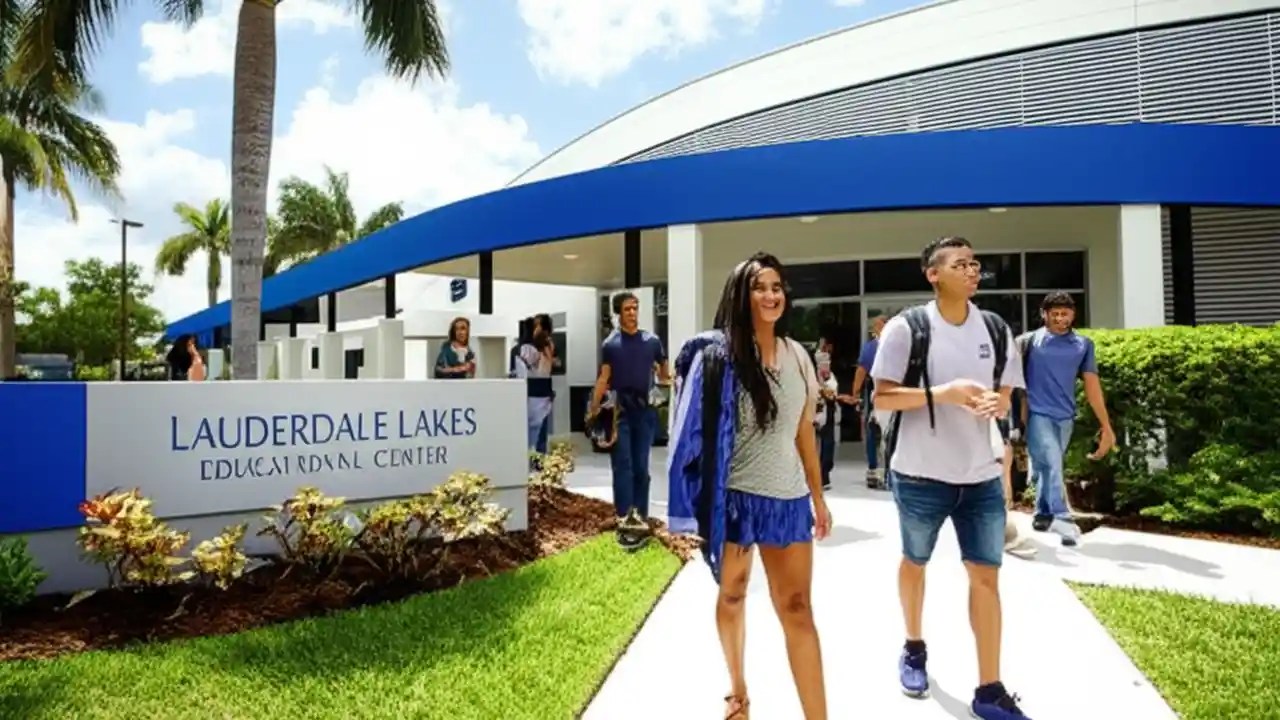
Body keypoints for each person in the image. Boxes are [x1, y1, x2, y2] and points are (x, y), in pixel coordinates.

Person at [870, 236, 1031, 719]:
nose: (972, 270)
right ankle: (913, 646)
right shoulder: (907, 328)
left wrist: (997, 402)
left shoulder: (996, 328)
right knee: (915, 560)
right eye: (961, 264)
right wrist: (944, 392)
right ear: (933, 274)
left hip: (980, 476)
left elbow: (1006, 393)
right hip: (920, 475)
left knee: (986, 576)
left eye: (975, 263)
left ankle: (989, 689)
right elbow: (882, 397)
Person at [668, 252, 832, 720]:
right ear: (741, 294)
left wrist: (818, 498)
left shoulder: (797, 355)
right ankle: (738, 693)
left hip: (787, 500)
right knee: (732, 595)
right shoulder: (720, 357)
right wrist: (690, 507)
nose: (771, 295)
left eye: (777, 287)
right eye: (760, 287)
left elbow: (803, 432)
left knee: (797, 608)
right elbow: (690, 436)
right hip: (735, 500)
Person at [1018, 292, 1116, 546]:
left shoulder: (1083, 345)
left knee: (1048, 465)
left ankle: (1042, 512)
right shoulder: (1029, 342)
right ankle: (1062, 518)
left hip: (1065, 415)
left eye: (1065, 313)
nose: (1061, 318)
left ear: (1073, 315)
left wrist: (1106, 425)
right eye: (1055, 314)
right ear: (1044, 315)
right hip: (1037, 413)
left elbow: (1092, 385)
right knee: (1052, 461)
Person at [588, 292, 671, 550]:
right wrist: (593, 409)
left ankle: (640, 517)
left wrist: (667, 380)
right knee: (622, 466)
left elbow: (664, 372)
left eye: (635, 308)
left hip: (644, 412)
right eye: (627, 309)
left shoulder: (652, 341)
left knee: (641, 467)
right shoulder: (611, 345)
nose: (632, 313)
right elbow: (604, 378)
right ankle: (624, 516)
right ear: (618, 313)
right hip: (619, 413)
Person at [851, 315, 887, 488]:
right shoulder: (897, 344)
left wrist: (855, 393)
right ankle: (889, 469)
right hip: (895, 394)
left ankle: (874, 469)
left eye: (876, 326)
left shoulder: (872, 347)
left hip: (877, 395)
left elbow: (861, 371)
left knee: (872, 431)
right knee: (891, 432)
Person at [513, 316, 555, 456]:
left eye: (542, 327)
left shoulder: (547, 346)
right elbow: (525, 369)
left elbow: (547, 370)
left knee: (541, 434)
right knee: (531, 433)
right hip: (530, 395)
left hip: (544, 394)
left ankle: (539, 458)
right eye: (537, 326)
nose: (540, 330)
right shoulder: (526, 348)